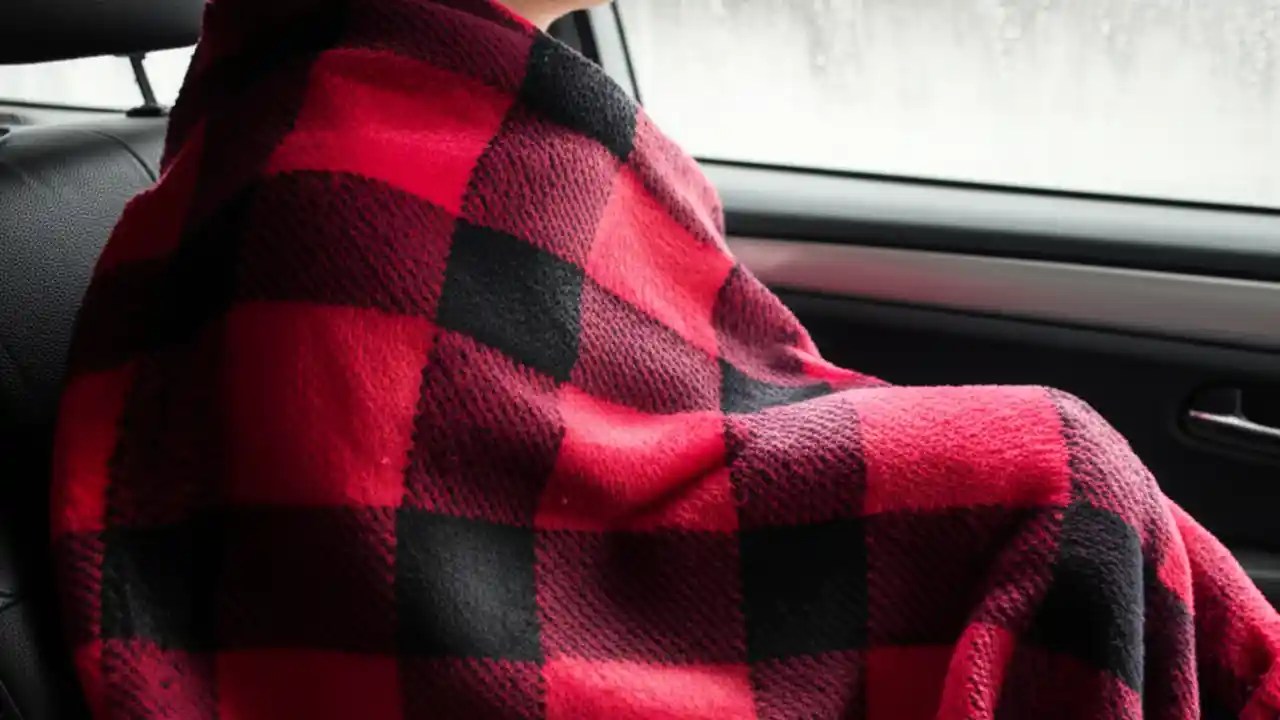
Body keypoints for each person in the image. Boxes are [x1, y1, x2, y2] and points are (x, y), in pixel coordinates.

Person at [52, 0, 1279, 718]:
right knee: (1056, 481)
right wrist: (1038, 475)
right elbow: (419, 598)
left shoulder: (479, 99)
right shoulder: (317, 188)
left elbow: (711, 411)